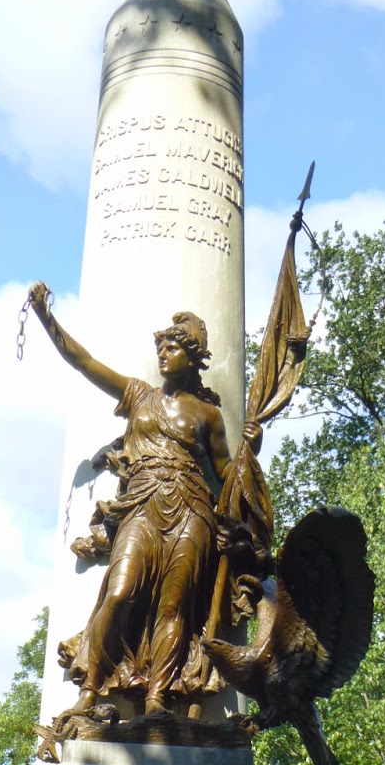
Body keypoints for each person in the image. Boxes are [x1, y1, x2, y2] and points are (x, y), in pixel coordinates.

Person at [27, 286, 232, 720]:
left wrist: (249, 457)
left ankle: (158, 697)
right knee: (119, 593)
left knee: (173, 607)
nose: (163, 355)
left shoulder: (209, 415)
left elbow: (226, 470)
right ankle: (90, 687)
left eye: (172, 347)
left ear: (192, 356)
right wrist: (48, 320)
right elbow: (84, 363)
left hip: (192, 508)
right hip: (142, 503)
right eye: (160, 347)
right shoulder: (140, 395)